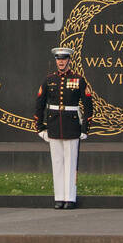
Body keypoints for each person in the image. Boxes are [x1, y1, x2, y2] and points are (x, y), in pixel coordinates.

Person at [34, 47, 94, 209]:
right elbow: (39, 104)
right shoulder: (49, 80)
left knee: (70, 162)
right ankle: (59, 197)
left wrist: (85, 128)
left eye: (64, 58)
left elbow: (88, 105)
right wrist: (39, 127)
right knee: (57, 162)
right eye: (58, 59)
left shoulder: (78, 79)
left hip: (72, 126)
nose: (61, 61)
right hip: (53, 126)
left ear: (69, 60)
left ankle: (70, 198)